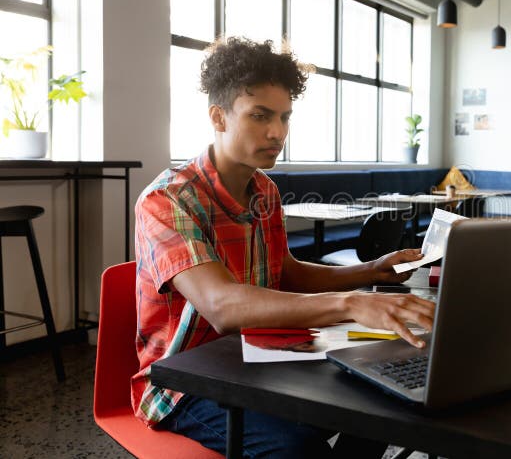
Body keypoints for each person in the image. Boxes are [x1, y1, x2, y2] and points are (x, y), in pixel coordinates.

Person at [132, 36, 436, 458]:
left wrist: (369, 272)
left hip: (261, 355)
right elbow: (223, 307)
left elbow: (286, 273)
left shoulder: (264, 191)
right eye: (260, 116)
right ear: (218, 117)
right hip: (184, 383)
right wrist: (350, 302)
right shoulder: (167, 200)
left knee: (381, 397)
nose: (277, 132)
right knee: (298, 448)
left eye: (284, 117)